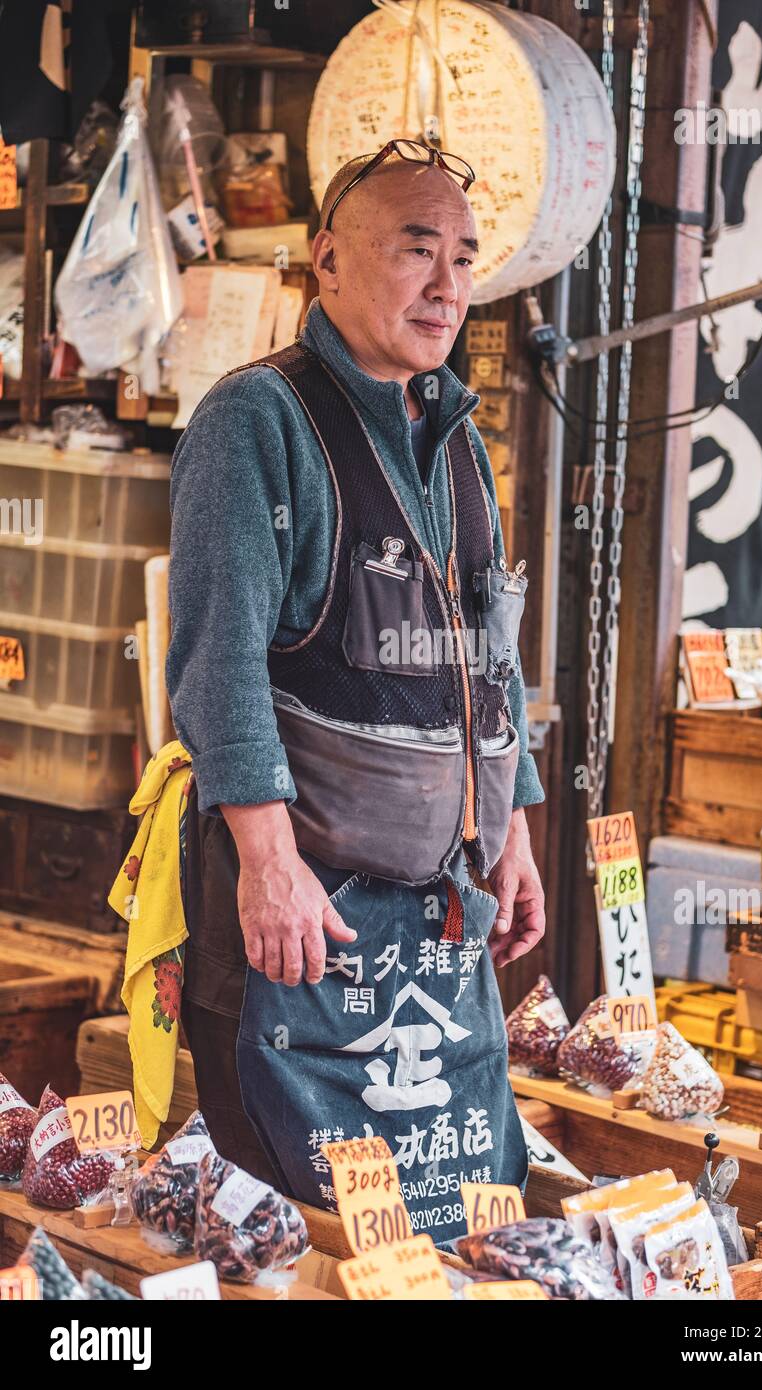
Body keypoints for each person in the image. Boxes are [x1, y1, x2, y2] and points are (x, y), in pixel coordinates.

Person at [166, 140, 547, 1242]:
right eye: (415, 250)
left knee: (446, 1234)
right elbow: (217, 660)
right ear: (326, 261)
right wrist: (267, 864)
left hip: (435, 917)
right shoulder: (257, 422)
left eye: (465, 258)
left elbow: (489, 655)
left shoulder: (457, 438)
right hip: (306, 913)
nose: (448, 285)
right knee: (304, 1236)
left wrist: (509, 823)